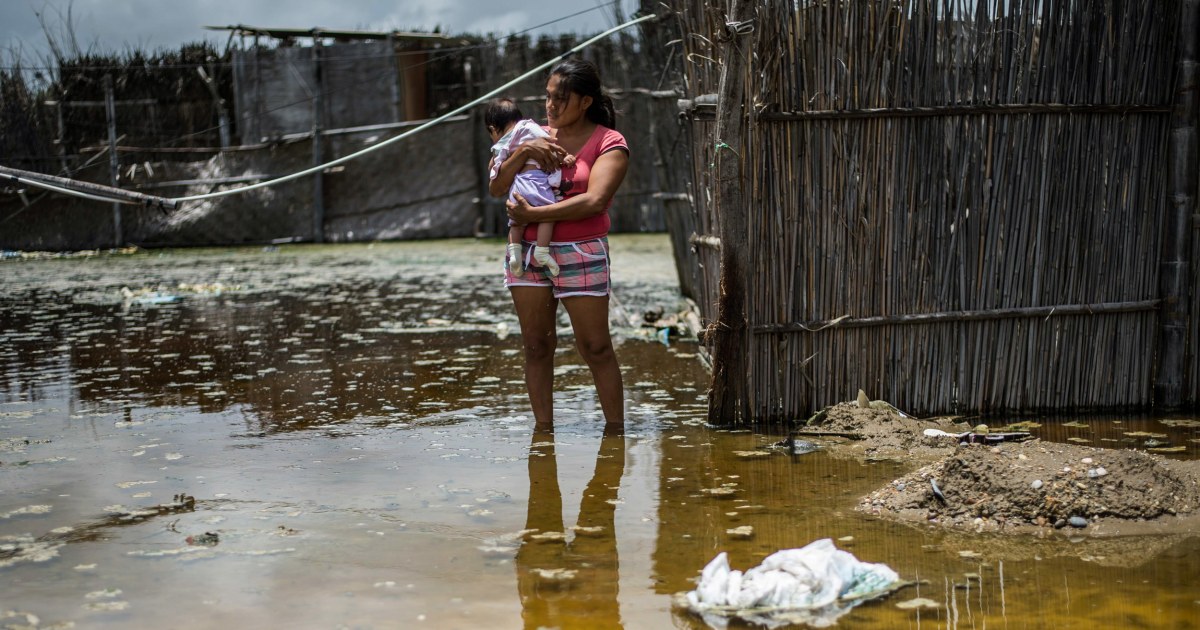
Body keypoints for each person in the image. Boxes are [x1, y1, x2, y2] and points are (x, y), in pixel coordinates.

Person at [489, 58, 629, 428]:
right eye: (548, 97)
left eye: (561, 99)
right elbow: (497, 187)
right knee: (536, 347)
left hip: (582, 252)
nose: (550, 106)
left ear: (585, 102)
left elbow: (595, 200)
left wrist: (531, 217)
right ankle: (543, 435)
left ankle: (616, 435)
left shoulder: (609, 142)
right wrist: (524, 152)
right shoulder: (531, 134)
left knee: (595, 348)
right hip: (528, 254)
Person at [484, 98, 575, 277]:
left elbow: (493, 169)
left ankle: (515, 255)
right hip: (536, 183)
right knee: (548, 215)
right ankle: (541, 251)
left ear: (493, 129)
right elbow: (550, 144)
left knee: (516, 222)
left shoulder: (504, 144)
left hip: (518, 187)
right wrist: (564, 157)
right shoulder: (529, 128)